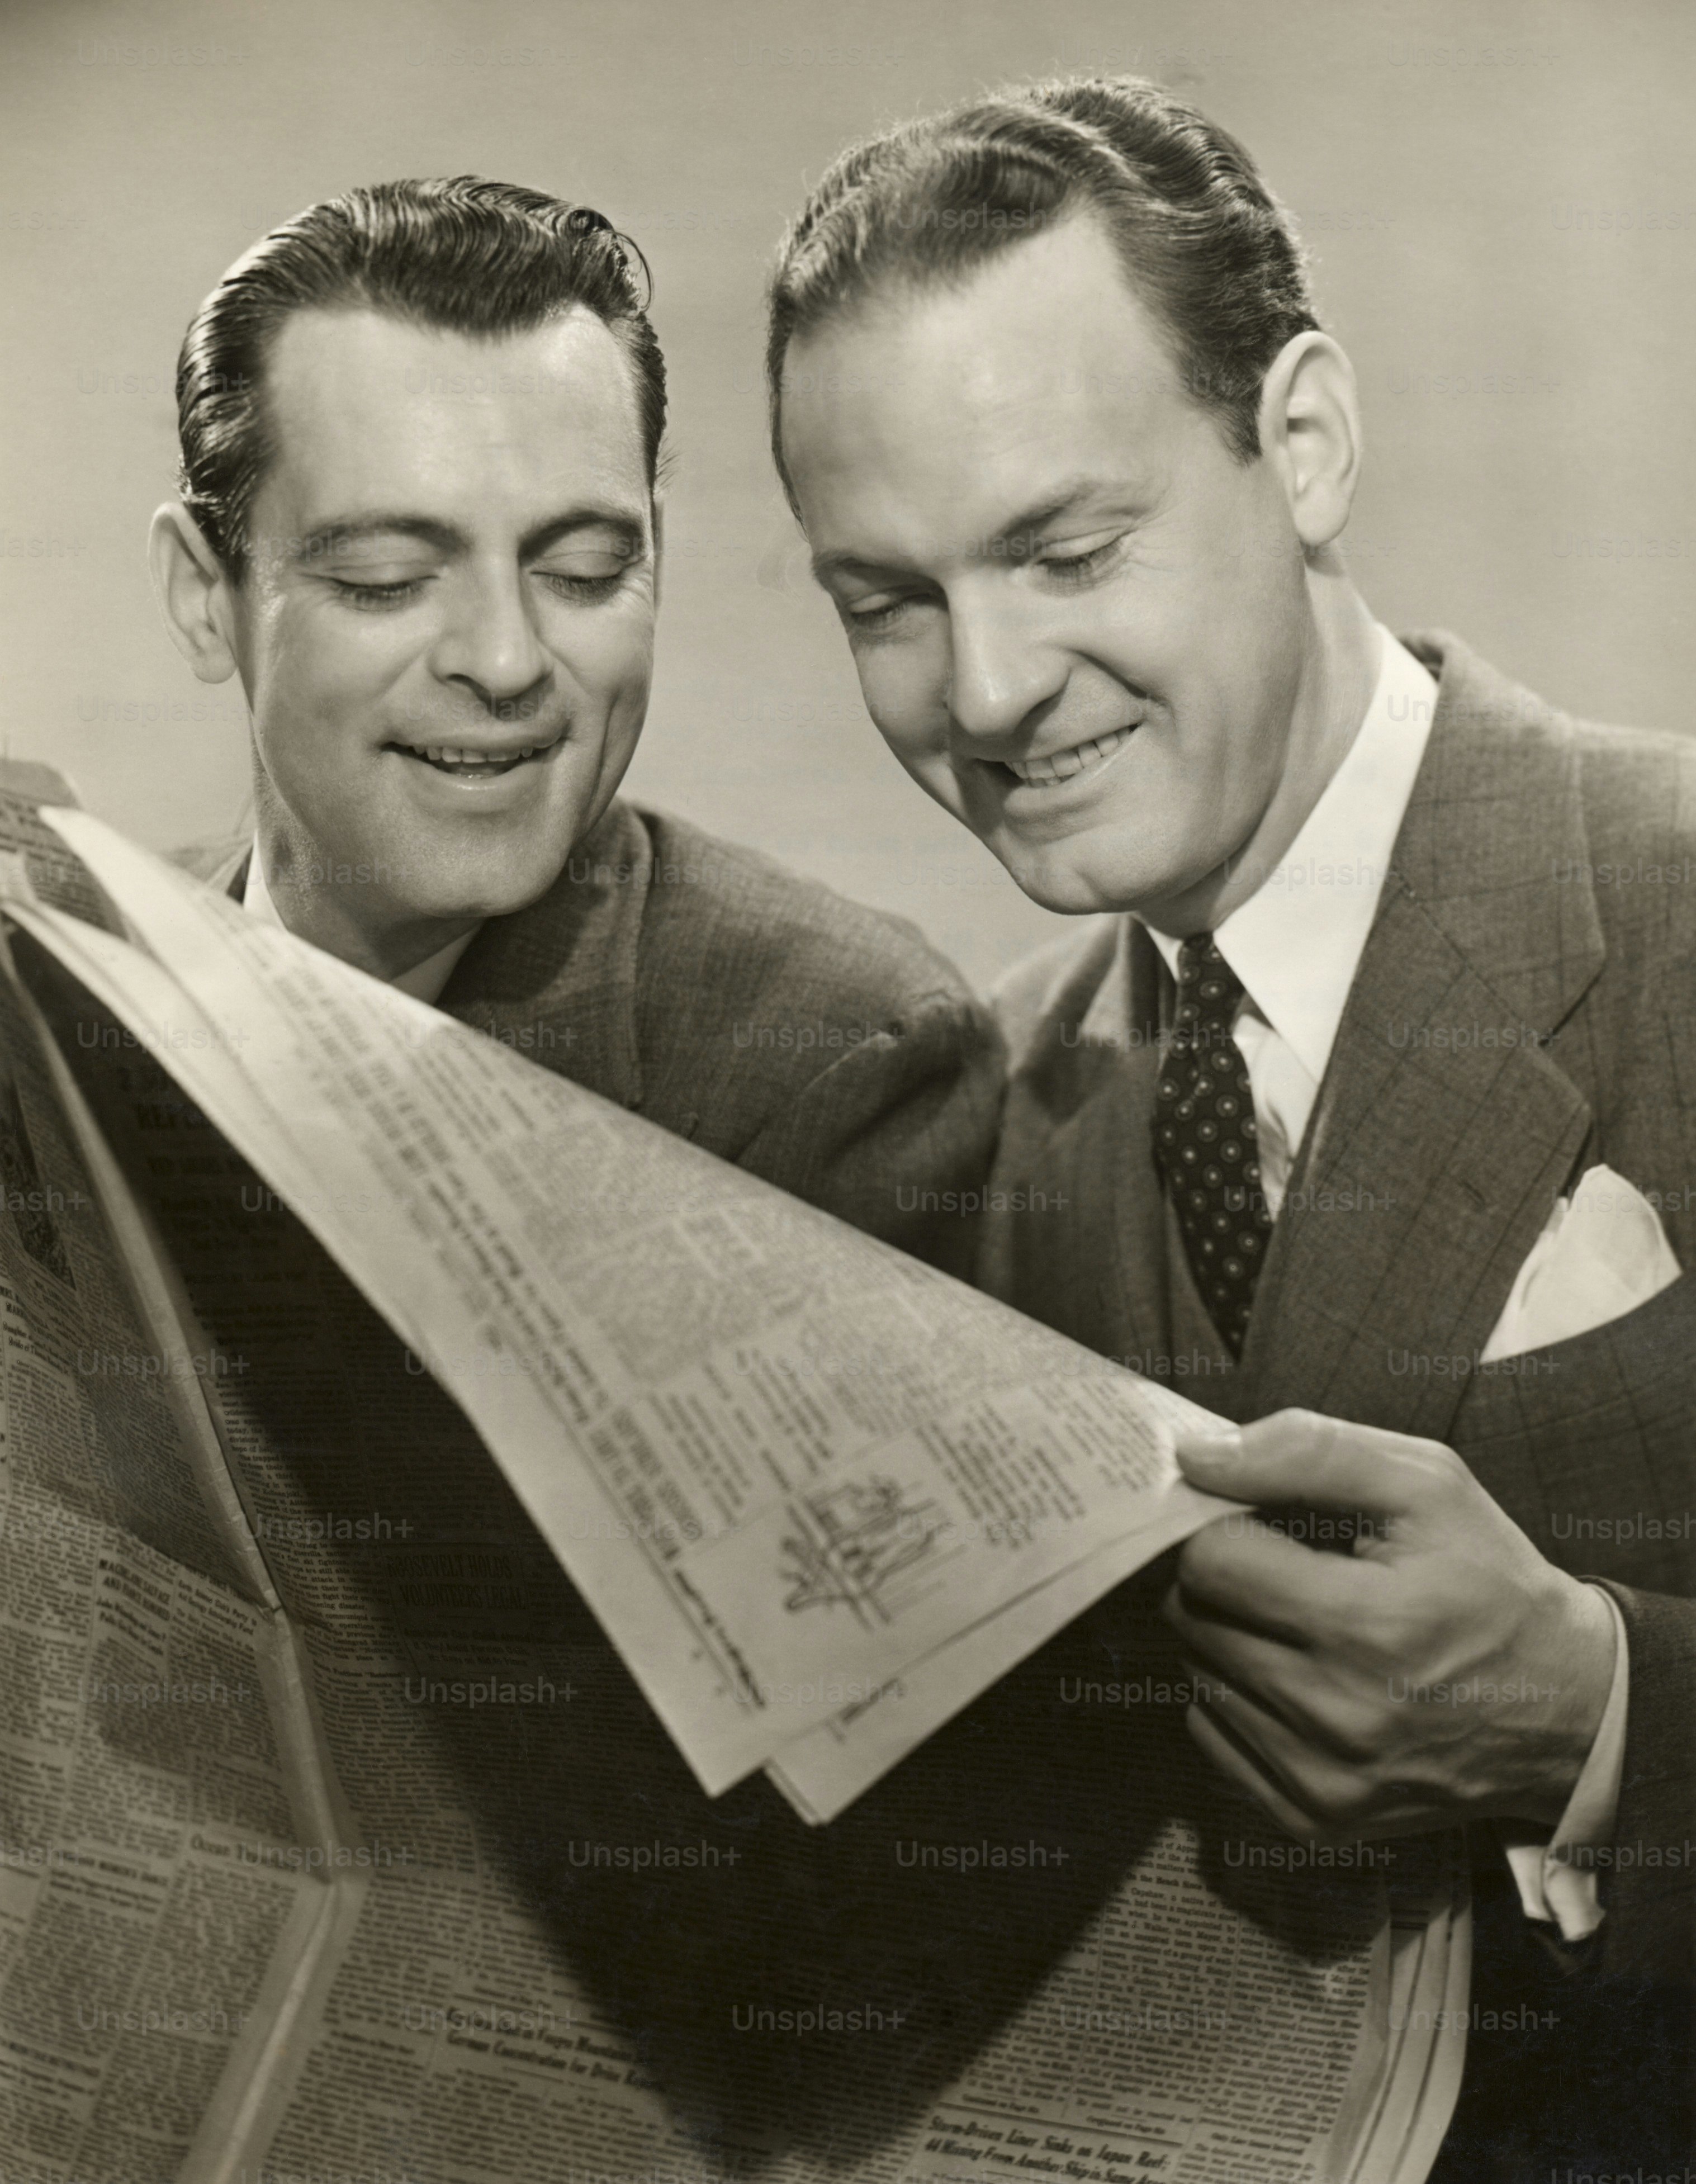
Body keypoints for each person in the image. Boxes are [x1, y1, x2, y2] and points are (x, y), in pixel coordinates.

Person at [766, 73, 1694, 2173]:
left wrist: (1608, 1715)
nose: (986, 688)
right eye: (882, 601)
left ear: (1301, 441)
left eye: (1064, 546)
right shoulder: (970, 1124)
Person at [151, 176, 998, 1270]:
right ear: (200, 597)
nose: (505, 660)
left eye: (583, 571)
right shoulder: (50, 993)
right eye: (386, 577)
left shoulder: (838, 1057)